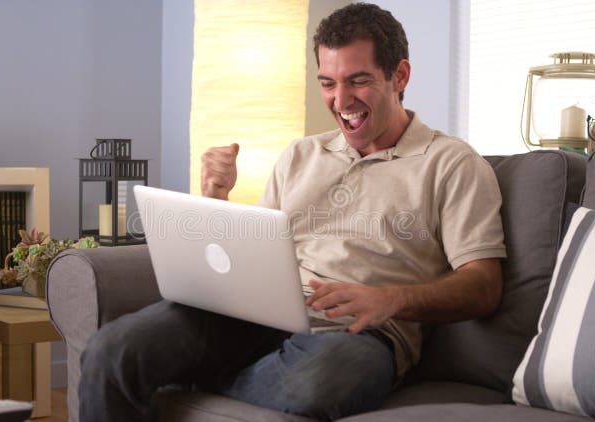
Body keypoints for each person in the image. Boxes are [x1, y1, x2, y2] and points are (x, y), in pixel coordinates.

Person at [79, 3, 506, 421]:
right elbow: (249, 257)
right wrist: (215, 196)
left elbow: (483, 286)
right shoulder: (302, 154)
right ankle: (214, 373)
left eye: (357, 81)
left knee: (318, 384)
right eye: (327, 83)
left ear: (400, 75)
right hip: (258, 317)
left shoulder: (451, 163)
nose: (341, 101)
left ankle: (200, 377)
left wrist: (389, 299)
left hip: (359, 334)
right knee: (110, 350)